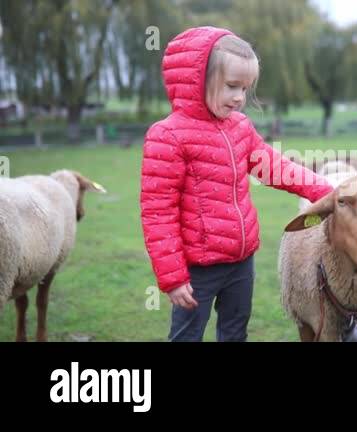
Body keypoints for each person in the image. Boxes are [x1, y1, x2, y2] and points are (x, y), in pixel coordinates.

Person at [140, 26, 333, 341]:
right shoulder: (168, 135)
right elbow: (157, 211)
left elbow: (273, 166)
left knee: (235, 333)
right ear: (197, 77)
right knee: (187, 335)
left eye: (246, 88)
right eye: (231, 86)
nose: (240, 98)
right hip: (196, 268)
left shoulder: (240, 127)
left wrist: (324, 190)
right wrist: (172, 277)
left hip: (241, 261)